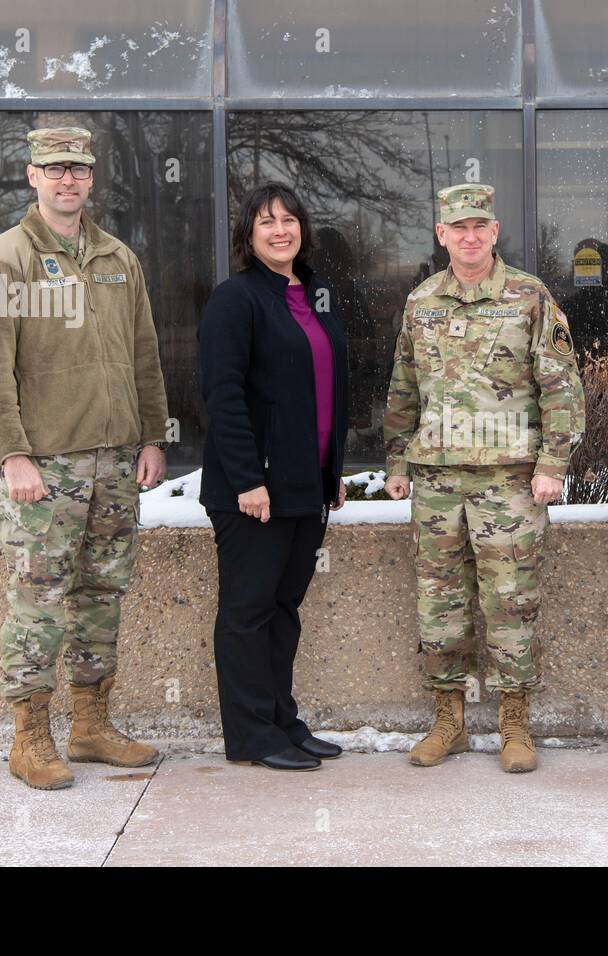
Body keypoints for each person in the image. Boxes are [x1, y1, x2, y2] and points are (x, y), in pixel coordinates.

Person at [0, 127, 169, 790]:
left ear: (91, 178)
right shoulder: (5, 260)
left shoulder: (116, 258)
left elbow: (143, 353)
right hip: (45, 470)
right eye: (54, 169)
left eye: (78, 169)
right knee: (38, 601)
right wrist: (12, 455)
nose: (67, 180)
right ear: (32, 176)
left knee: (101, 596)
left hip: (114, 465)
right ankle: (29, 738)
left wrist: (152, 436)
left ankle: (90, 725)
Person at [383, 183, 585, 773]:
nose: (469, 237)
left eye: (480, 227)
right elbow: (402, 388)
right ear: (442, 235)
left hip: (509, 482)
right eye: (458, 228)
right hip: (439, 482)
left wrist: (553, 464)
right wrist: (397, 461)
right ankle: (448, 721)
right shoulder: (421, 302)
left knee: (510, 602)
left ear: (494, 233)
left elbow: (561, 383)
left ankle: (514, 724)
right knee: (439, 605)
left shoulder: (529, 296)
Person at [198, 183, 349, 772]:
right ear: (249, 235)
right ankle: (253, 735)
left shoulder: (313, 296)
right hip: (253, 490)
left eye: (289, 220)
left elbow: (330, 391)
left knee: (284, 609)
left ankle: (283, 721)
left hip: (304, 486)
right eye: (267, 222)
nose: (280, 230)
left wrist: (330, 472)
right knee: (247, 612)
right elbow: (223, 395)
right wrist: (246, 479)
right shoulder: (236, 300)